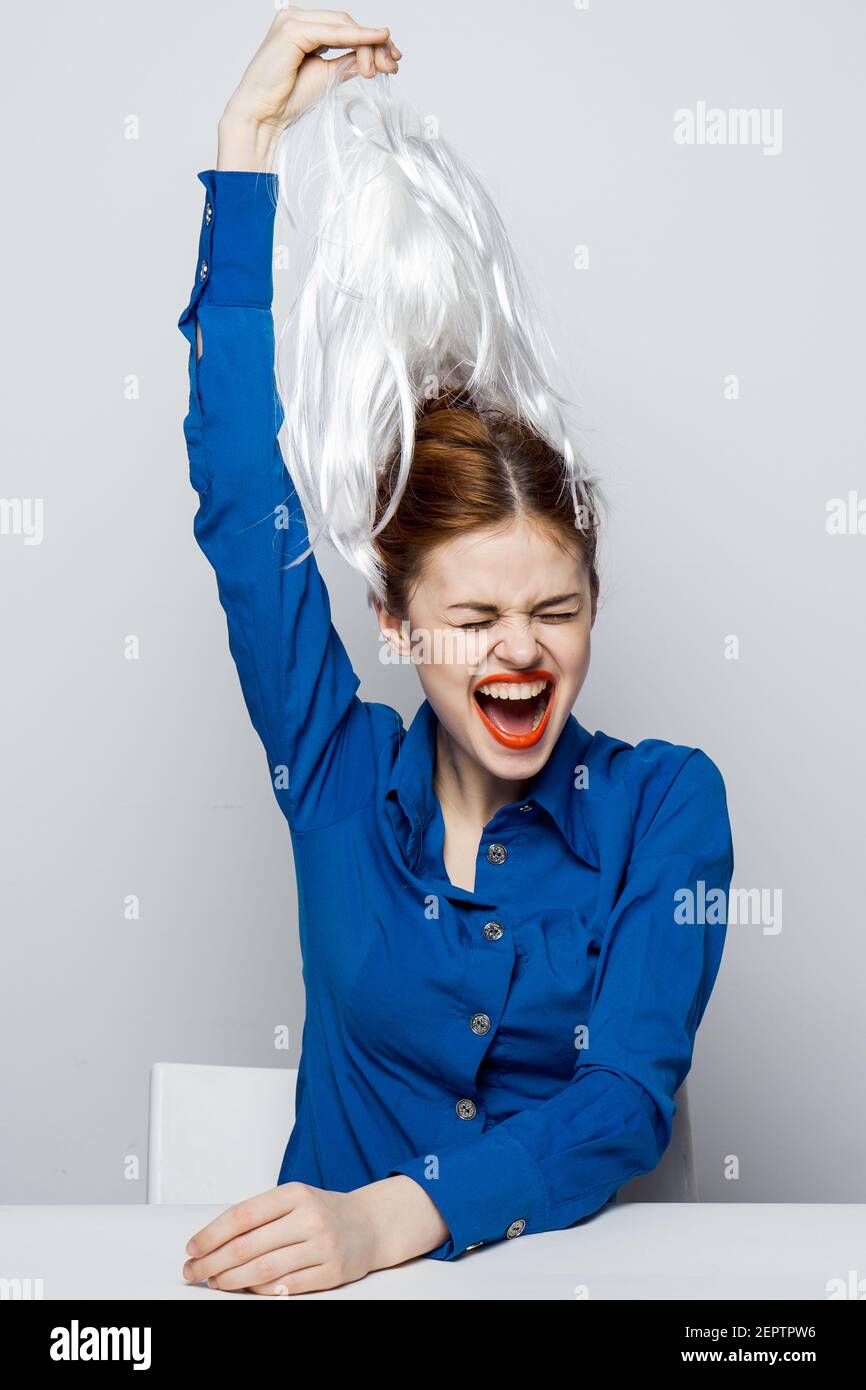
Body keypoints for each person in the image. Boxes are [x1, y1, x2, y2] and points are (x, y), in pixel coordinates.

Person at [176, 7, 734, 1296]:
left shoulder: (667, 806)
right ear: (394, 620)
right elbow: (237, 501)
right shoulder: (331, 772)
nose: (521, 656)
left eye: (558, 611)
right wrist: (246, 142)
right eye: (474, 622)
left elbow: (621, 1104)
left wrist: (388, 1220)